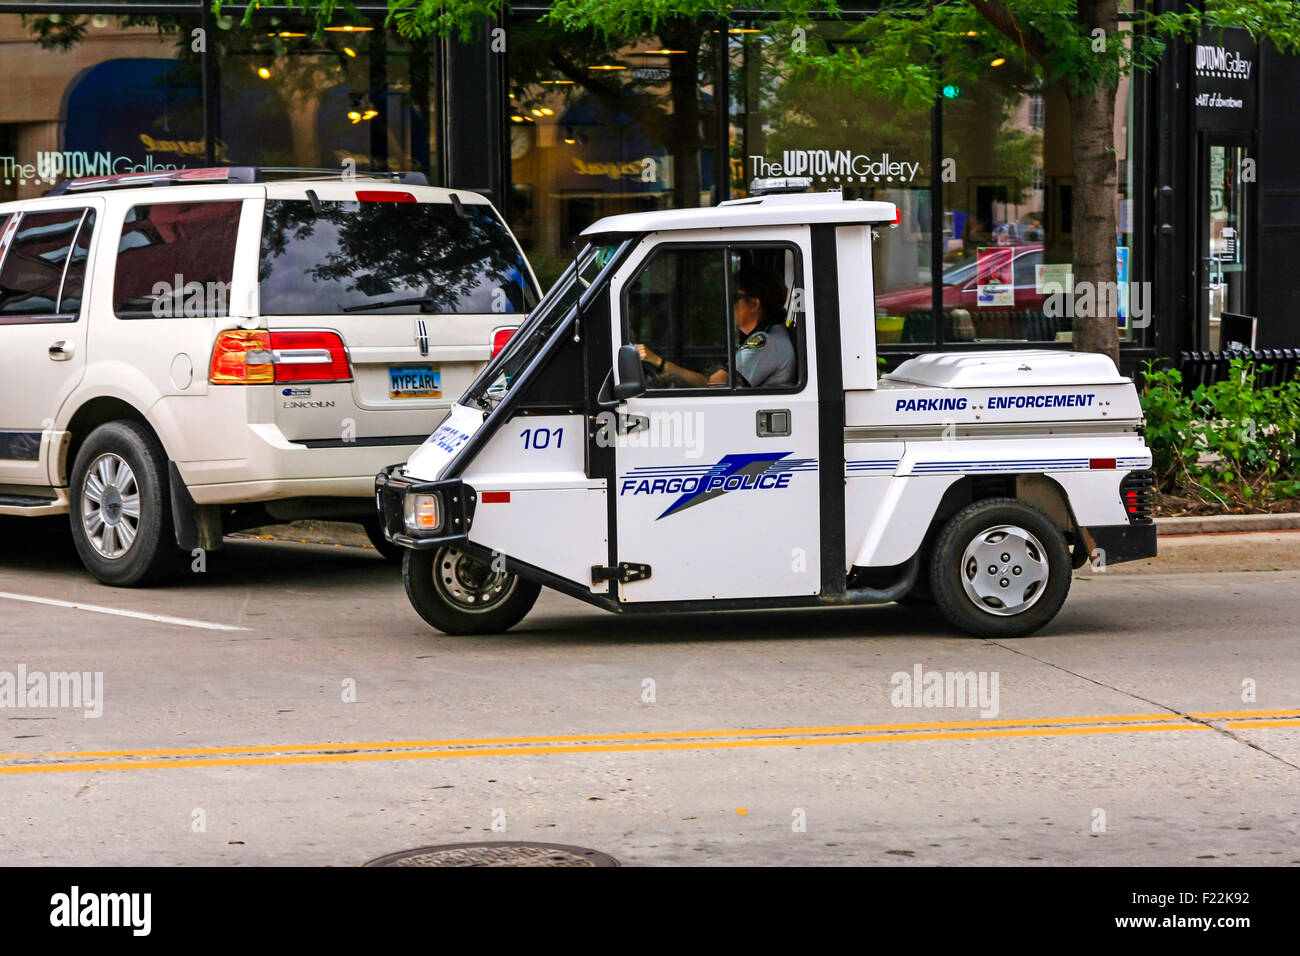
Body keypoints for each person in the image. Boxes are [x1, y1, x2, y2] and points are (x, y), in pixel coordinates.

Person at [635, 268, 797, 388]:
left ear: (754, 304)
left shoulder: (765, 343)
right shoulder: (769, 335)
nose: (729, 305)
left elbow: (714, 384)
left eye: (735, 298)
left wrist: (657, 362)